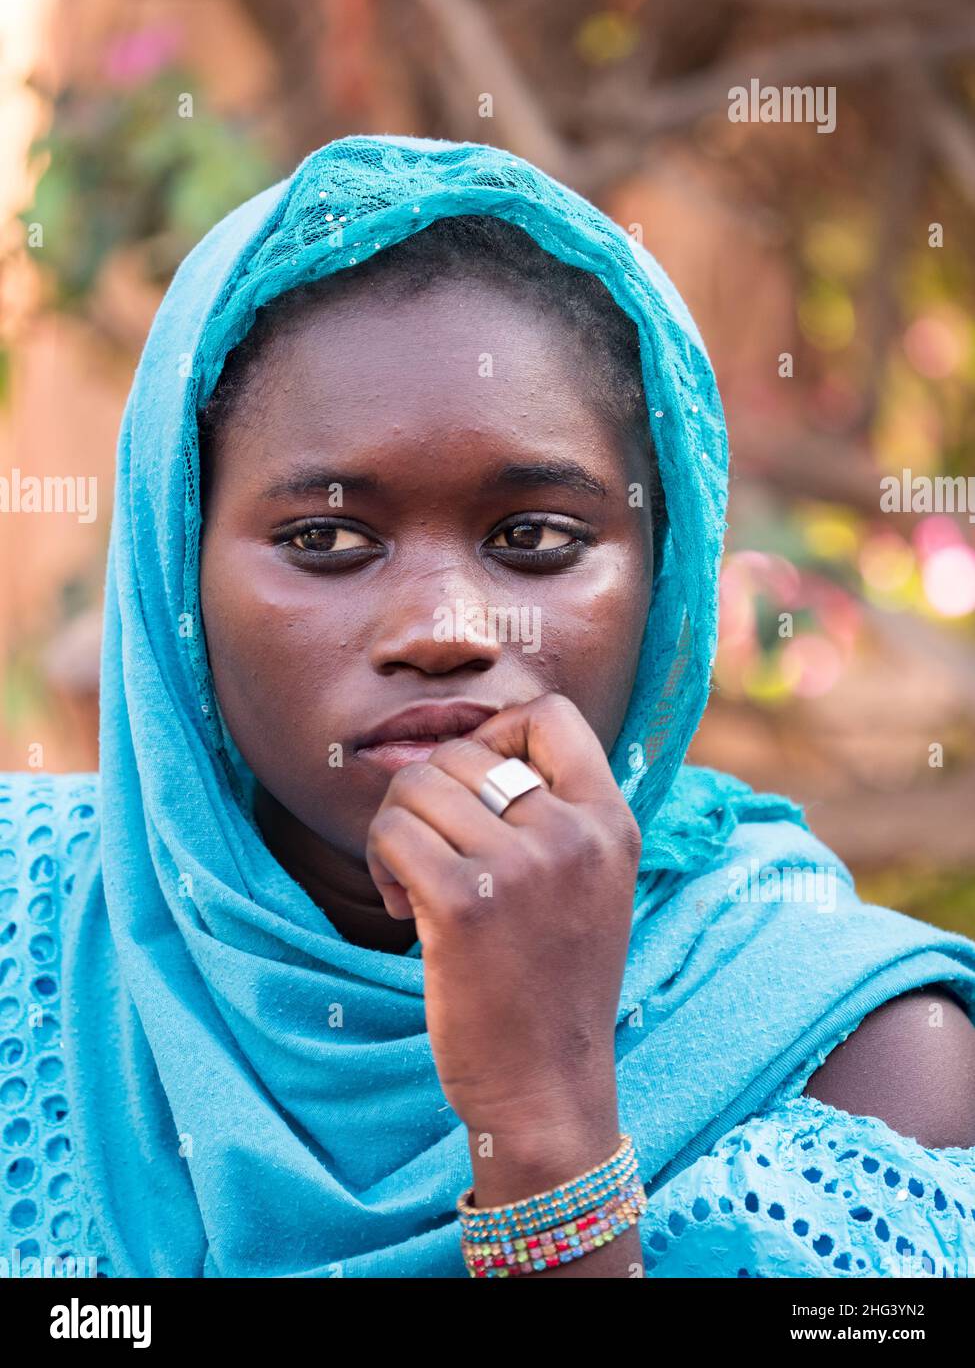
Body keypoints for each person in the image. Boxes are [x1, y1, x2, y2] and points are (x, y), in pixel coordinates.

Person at [3, 134, 975, 1280]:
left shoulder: (861, 1060)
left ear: (664, 577)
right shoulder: (30, 935)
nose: (447, 629)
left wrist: (547, 1120)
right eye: (324, 538)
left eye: (534, 540)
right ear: (178, 568)